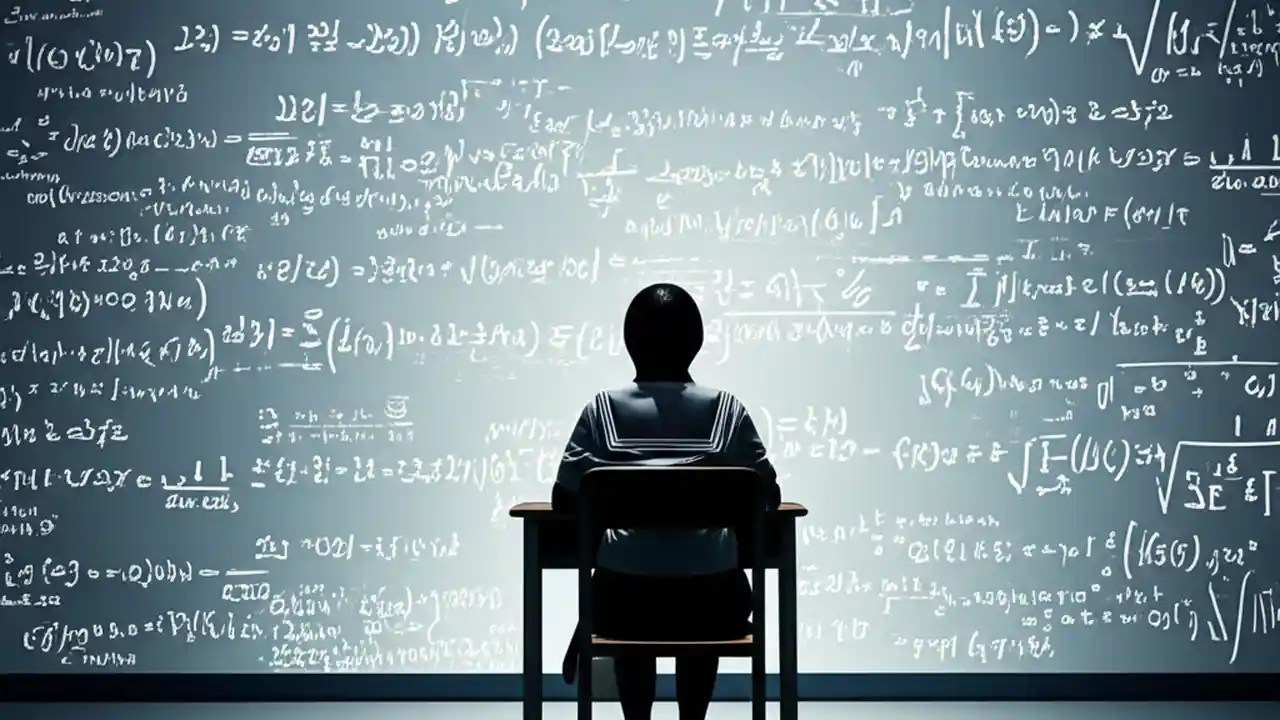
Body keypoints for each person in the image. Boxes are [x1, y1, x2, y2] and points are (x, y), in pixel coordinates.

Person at [551, 283, 781, 720]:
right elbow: (768, 495)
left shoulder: (602, 412)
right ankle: (692, 719)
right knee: (705, 578)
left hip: (622, 605)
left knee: (622, 586)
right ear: (695, 342)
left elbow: (564, 498)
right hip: (715, 605)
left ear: (629, 342)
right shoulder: (726, 412)